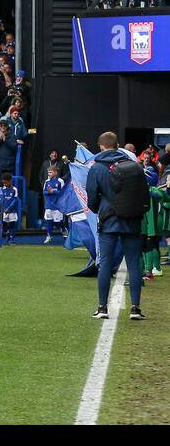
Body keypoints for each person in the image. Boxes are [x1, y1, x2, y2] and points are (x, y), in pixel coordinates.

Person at [85, 132, 148, 321]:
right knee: (134, 264)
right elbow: (143, 195)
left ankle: (102, 307)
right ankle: (135, 308)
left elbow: (92, 197)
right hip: (132, 220)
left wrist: (99, 209)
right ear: (118, 145)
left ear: (101, 147)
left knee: (104, 263)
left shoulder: (97, 168)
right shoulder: (134, 166)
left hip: (108, 221)